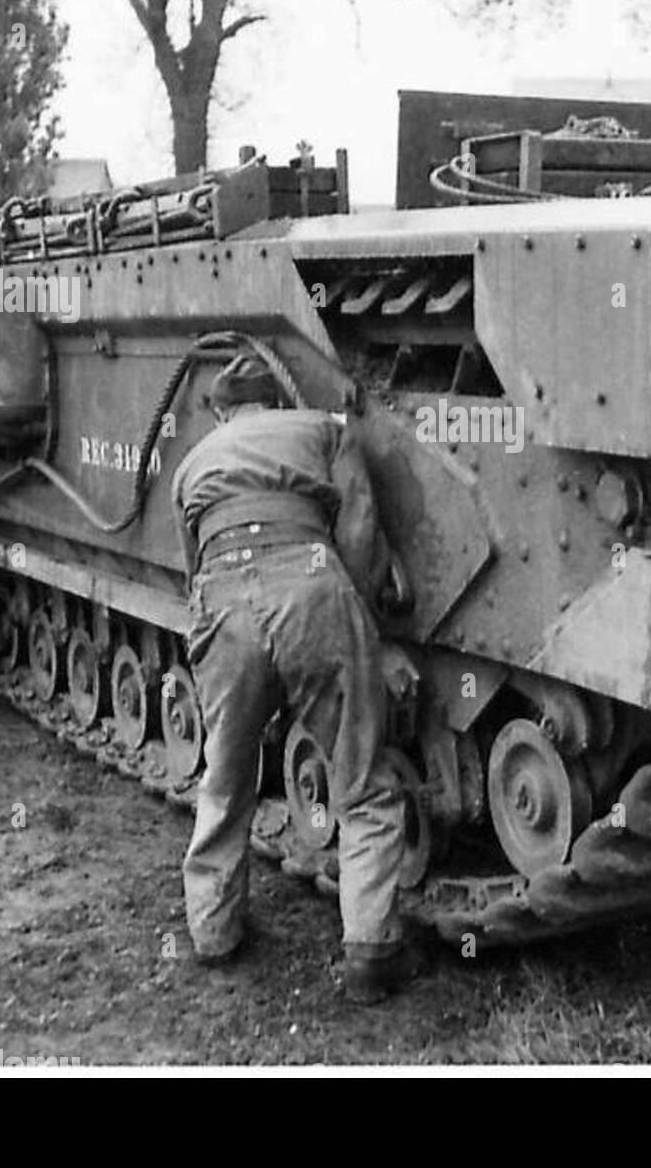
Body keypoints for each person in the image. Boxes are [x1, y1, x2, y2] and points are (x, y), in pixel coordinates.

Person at [172, 353, 422, 1004]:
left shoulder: (194, 462)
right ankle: (370, 955)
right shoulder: (320, 428)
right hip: (309, 582)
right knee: (363, 782)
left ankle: (214, 934)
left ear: (225, 411)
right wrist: (369, 626)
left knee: (225, 781)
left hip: (222, 597)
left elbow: (190, 566)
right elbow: (361, 524)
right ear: (273, 401)